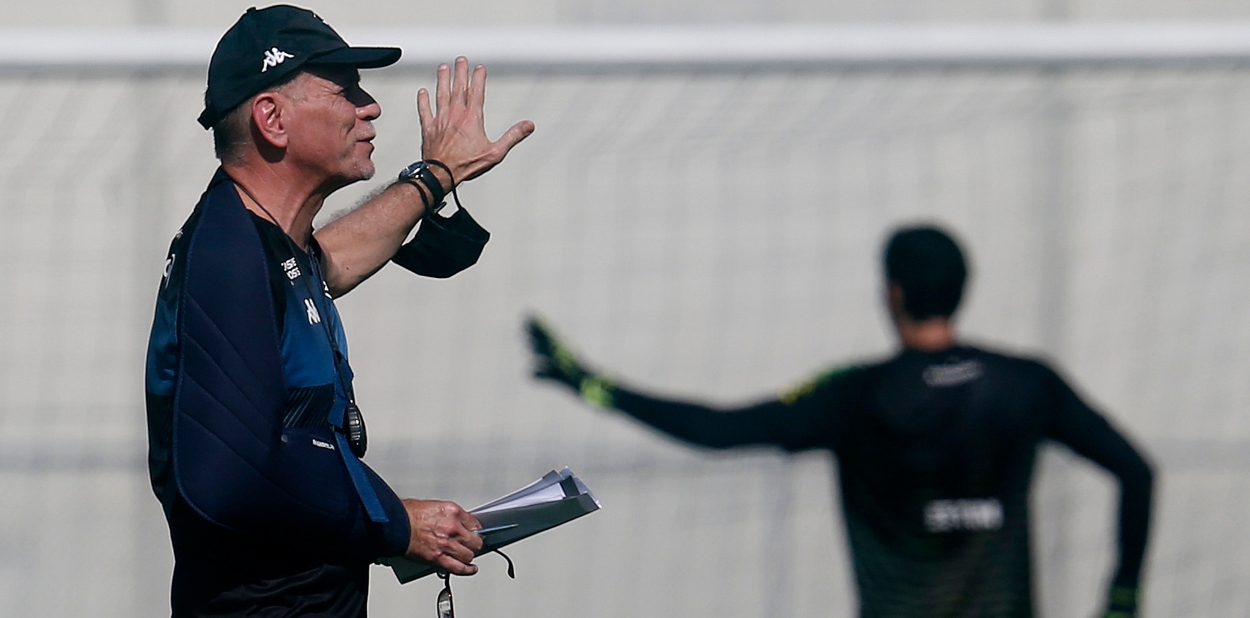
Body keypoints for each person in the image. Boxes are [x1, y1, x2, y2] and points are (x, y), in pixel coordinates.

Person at [527, 225, 1153, 618]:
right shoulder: (1027, 383)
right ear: (962, 288)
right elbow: (1137, 472)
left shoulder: (857, 395)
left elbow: (718, 431)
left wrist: (594, 385)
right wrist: (1122, 598)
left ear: (894, 294)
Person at [143, 5, 533, 616]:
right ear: (272, 118)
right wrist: (394, 522)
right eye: (344, 89)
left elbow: (330, 262)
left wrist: (437, 176)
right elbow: (226, 480)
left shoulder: (267, 242)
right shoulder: (228, 258)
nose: (370, 105)